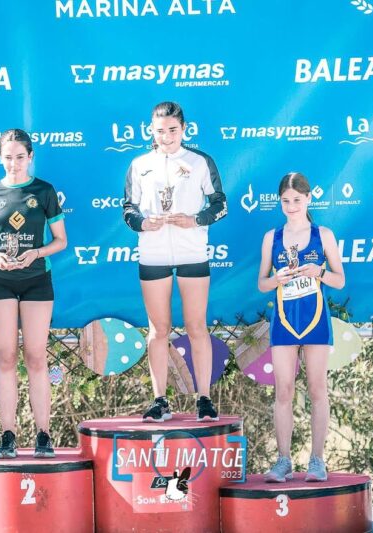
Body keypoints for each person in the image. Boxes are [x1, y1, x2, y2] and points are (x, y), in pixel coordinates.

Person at [122, 101, 227, 423]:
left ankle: (204, 399)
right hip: (153, 254)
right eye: (160, 131)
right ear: (150, 131)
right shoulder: (140, 164)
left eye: (172, 130)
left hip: (192, 252)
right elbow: (128, 209)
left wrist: (195, 220)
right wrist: (143, 224)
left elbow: (220, 204)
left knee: (196, 326)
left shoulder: (199, 162)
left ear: (184, 129)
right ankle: (159, 400)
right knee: (158, 330)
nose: (166, 137)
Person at [0, 129, 67, 459]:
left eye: (20, 157)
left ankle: (43, 434)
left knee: (37, 357)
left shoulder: (44, 191)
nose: (14, 163)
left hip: (37, 280)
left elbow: (61, 241)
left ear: (30, 157)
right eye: (8, 157)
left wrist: (36, 253)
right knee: (6, 357)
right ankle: (8, 434)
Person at [257, 172, 345, 483]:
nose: (291, 206)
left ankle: (317, 460)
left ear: (309, 199)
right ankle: (283, 460)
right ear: (279, 202)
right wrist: (277, 280)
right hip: (283, 321)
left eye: (297, 199)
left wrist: (319, 271)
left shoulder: (324, 235)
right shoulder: (273, 237)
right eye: (286, 201)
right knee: (284, 390)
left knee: (317, 389)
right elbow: (262, 283)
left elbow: (340, 279)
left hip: (316, 319)